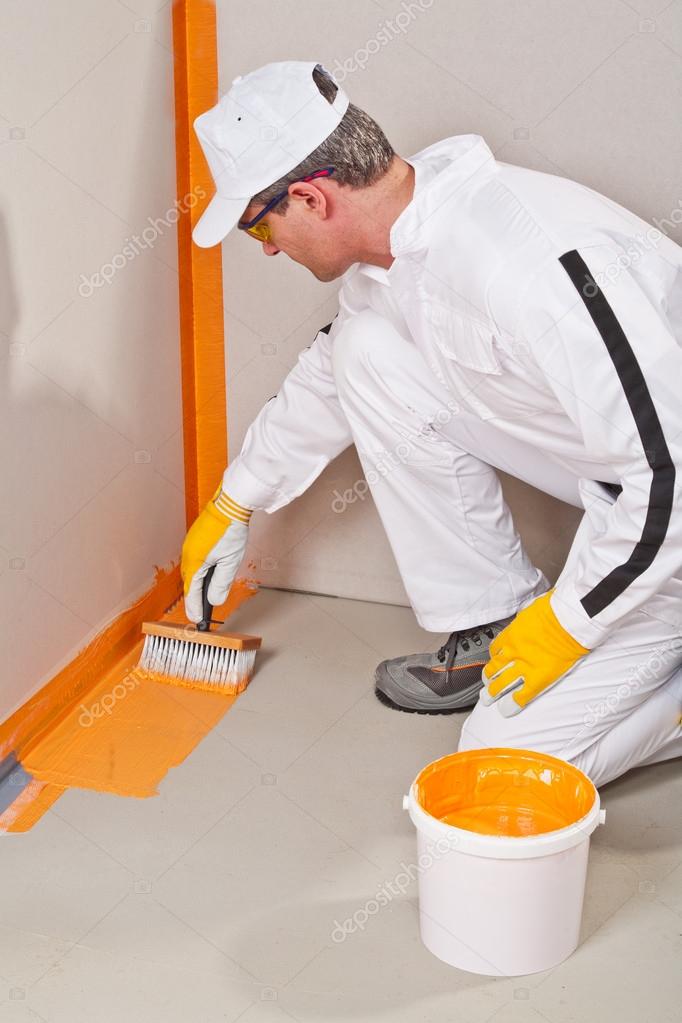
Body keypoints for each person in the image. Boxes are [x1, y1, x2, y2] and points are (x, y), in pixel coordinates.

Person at [181, 60, 682, 787]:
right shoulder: (403, 252)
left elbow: (671, 478)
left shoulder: (531, 264)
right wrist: (236, 499)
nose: (264, 247)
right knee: (364, 351)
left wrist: (571, 624)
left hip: (667, 508)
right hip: (623, 481)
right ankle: (494, 621)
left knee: (499, 765)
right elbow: (328, 378)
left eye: (260, 224)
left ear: (310, 197)